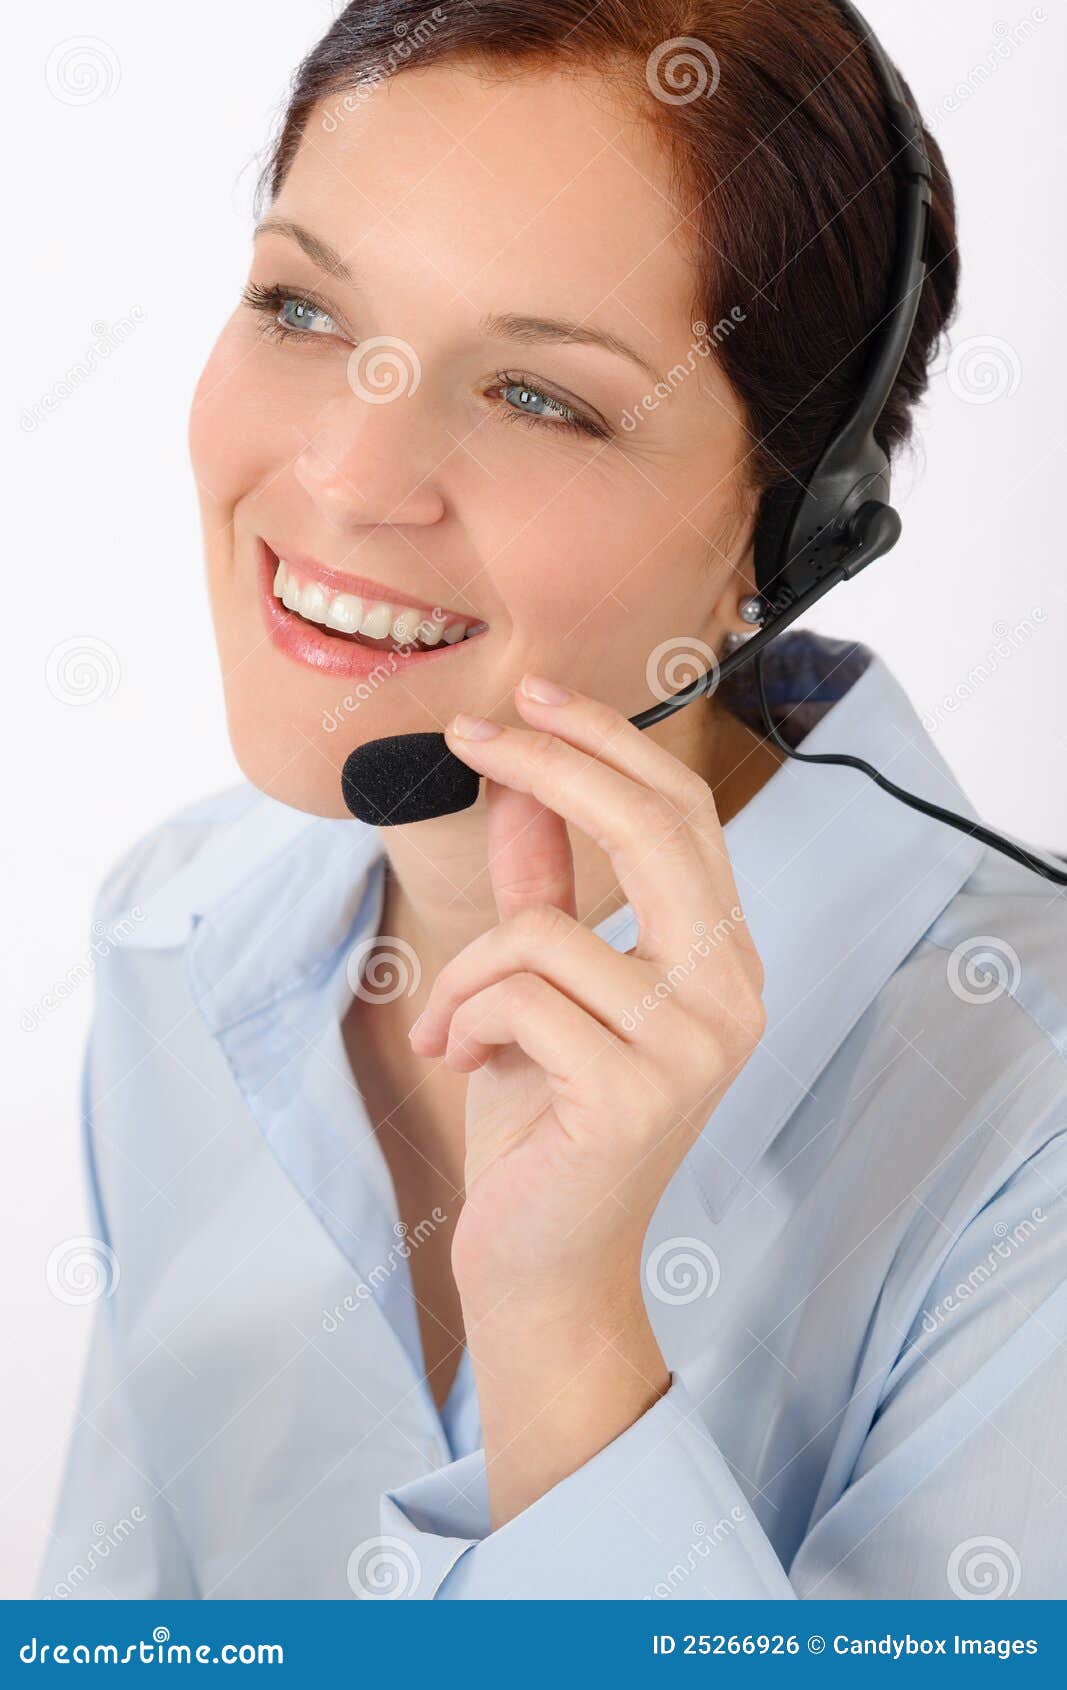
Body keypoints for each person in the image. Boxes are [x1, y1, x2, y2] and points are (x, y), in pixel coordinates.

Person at [39, 0, 1066, 1600]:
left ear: (781, 544)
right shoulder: (172, 931)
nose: (351, 475)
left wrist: (569, 1342)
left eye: (540, 397)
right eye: (304, 308)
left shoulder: (1032, 1120)